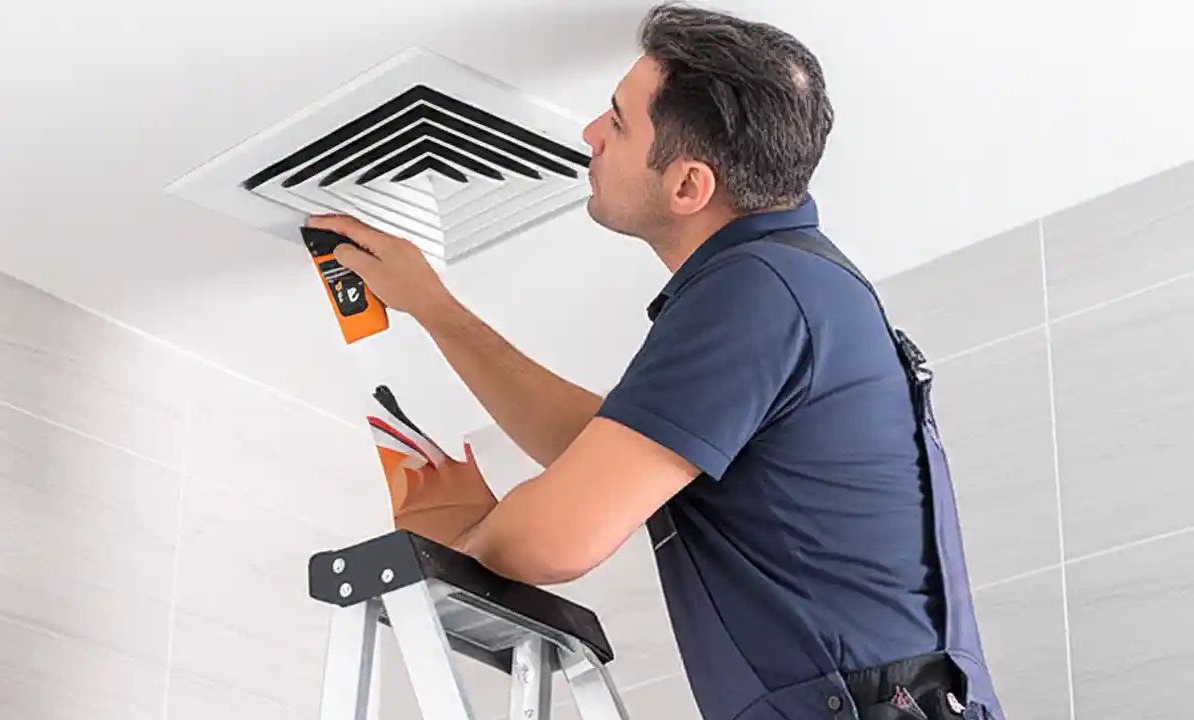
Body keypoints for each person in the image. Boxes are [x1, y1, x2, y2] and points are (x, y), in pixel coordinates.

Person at [307, 4, 1005, 719]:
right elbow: (604, 450)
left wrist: (461, 540)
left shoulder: (756, 293)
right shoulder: (795, 286)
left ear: (688, 186)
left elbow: (559, 538)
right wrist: (436, 310)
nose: (589, 134)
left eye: (617, 120)